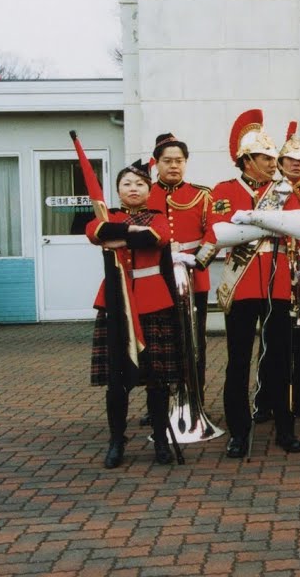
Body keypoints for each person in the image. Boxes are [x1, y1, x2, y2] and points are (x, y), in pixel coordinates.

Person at [193, 110, 300, 458]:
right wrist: (274, 224)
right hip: (242, 284)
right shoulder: (224, 190)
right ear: (246, 160)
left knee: (279, 360)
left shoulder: (285, 190)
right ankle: (239, 432)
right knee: (238, 361)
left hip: (276, 284)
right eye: (265, 158)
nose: (274, 163)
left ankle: (284, 429)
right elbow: (218, 232)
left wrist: (254, 220)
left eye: (274, 158)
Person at [87, 160, 184, 468]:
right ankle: (117, 440)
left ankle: (161, 438)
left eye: (140, 184)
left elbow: (155, 238)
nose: (133, 188)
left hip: (152, 302)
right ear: (118, 190)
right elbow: (94, 231)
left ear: (149, 190)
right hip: (116, 303)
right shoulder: (107, 216)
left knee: (157, 377)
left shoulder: (158, 218)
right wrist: (127, 231)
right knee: (117, 380)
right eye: (127, 183)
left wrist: (119, 236)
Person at [254, 122, 300, 423]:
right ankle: (266, 403)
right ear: (280, 163)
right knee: (270, 343)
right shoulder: (270, 192)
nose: (296, 164)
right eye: (290, 160)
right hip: (273, 277)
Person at [145, 133, 213, 423]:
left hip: (193, 276)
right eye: (167, 161)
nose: (174, 166)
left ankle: (195, 399)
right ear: (156, 163)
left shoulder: (202, 194)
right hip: (156, 279)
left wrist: (197, 259)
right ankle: (158, 406)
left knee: (194, 341)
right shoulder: (145, 193)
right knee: (158, 341)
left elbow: (214, 233)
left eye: (179, 161)